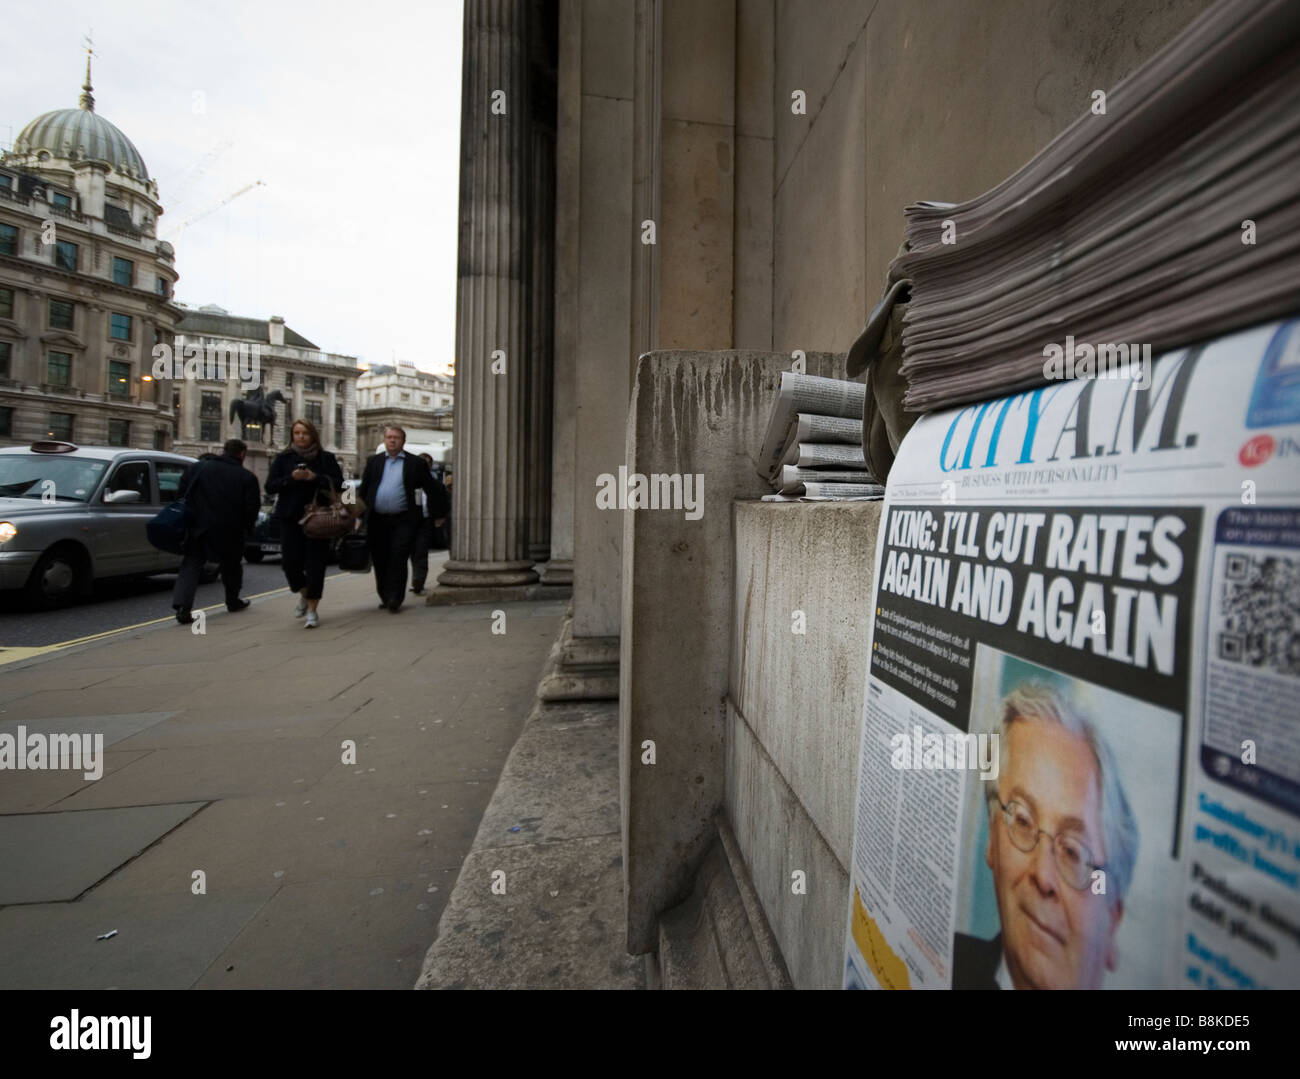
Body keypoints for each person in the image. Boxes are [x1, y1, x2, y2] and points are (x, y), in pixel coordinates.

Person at [952, 681, 1138, 990]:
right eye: (1023, 820)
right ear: (993, 839)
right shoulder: (943, 963)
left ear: (1113, 920)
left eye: (1073, 852)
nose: (1043, 875)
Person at [358, 426, 448, 611]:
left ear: (403, 441)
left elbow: (433, 489)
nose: (392, 441)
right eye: (389, 437)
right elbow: (364, 489)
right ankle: (384, 594)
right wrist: (355, 514)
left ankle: (395, 598)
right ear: (384, 440)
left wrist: (439, 514)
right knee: (380, 559)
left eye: (396, 438)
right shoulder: (374, 462)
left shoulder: (415, 463)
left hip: (403, 520)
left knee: (398, 557)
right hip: (377, 520)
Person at [171, 438, 260, 624]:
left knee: (191, 565)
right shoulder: (246, 477)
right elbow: (251, 508)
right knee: (232, 566)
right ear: (242, 454)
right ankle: (232, 601)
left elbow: (181, 495)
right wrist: (247, 529)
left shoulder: (198, 469)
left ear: (223, 450)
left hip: (197, 526)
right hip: (230, 529)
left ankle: (182, 607)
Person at [266, 418, 344, 628]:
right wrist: (291, 478)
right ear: (292, 435)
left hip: (320, 519)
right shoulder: (283, 458)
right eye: (297, 433)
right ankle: (304, 593)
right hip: (290, 518)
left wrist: (314, 477)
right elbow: (270, 487)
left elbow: (339, 484)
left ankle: (312, 610)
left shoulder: (326, 458)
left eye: (305, 433)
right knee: (290, 565)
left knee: (315, 565)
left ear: (313, 436)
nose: (301, 437)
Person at [408, 452, 443, 595]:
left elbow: (442, 500)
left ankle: (419, 580)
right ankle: (416, 576)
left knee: (421, 552)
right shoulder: (408, 481)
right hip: (409, 521)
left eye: (426, 463)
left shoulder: (434, 483)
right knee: (412, 552)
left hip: (425, 521)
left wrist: (439, 517)